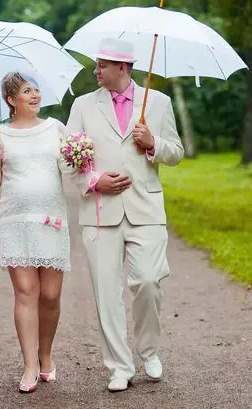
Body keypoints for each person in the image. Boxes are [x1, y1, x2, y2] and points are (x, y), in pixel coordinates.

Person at [66, 37, 184, 392]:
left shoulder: (159, 103)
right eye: (96, 64)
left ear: (122, 67)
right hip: (99, 211)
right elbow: (66, 156)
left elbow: (176, 152)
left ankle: (149, 351)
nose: (95, 70)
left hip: (145, 208)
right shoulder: (83, 105)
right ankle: (119, 365)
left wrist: (153, 144)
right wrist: (94, 179)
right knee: (106, 292)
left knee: (148, 280)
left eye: (101, 64)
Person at [0, 71, 73, 393]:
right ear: (11, 100)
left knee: (50, 295)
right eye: (26, 91)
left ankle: (45, 354)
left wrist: (82, 158)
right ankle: (30, 365)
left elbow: (71, 168)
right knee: (25, 293)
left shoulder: (56, 129)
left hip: (51, 219)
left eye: (36, 89)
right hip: (15, 221)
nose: (35, 95)